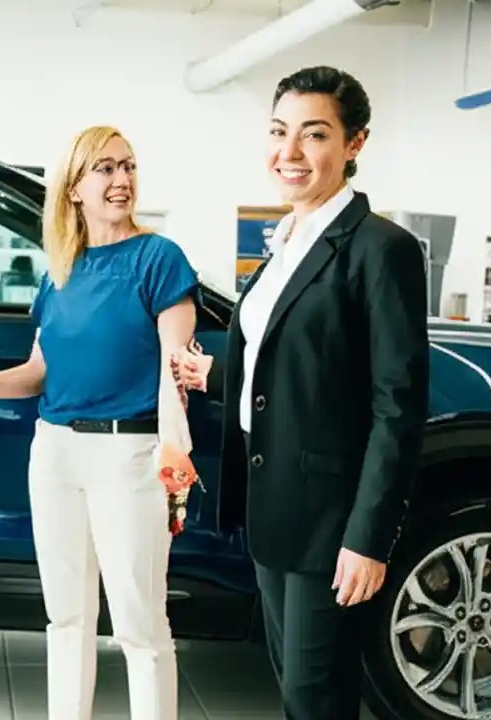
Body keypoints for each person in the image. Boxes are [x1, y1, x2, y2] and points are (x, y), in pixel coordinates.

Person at [0, 126, 200, 720]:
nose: (121, 180)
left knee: (139, 624)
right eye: (104, 169)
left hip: (130, 455)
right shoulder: (59, 273)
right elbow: (40, 371)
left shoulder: (159, 259)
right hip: (55, 454)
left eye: (127, 166)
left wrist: (176, 452)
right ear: (73, 188)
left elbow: (178, 368)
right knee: (66, 616)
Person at [171, 66, 429, 719]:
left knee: (316, 697)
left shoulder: (380, 249)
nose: (289, 152)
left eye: (314, 135)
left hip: (330, 520)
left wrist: (369, 537)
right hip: (275, 509)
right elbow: (298, 364)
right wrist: (217, 376)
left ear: (355, 144)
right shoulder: (286, 241)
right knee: (296, 689)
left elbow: (396, 407)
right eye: (279, 131)